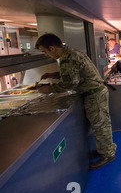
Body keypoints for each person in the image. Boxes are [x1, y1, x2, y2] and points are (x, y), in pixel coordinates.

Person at [35, 33, 116, 170]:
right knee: (102, 123)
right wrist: (54, 75)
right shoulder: (71, 52)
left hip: (94, 94)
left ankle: (108, 154)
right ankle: (107, 148)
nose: (47, 55)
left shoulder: (67, 59)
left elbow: (71, 83)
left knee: (100, 124)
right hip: (96, 91)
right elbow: (73, 72)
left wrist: (49, 88)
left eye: (45, 52)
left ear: (52, 48)